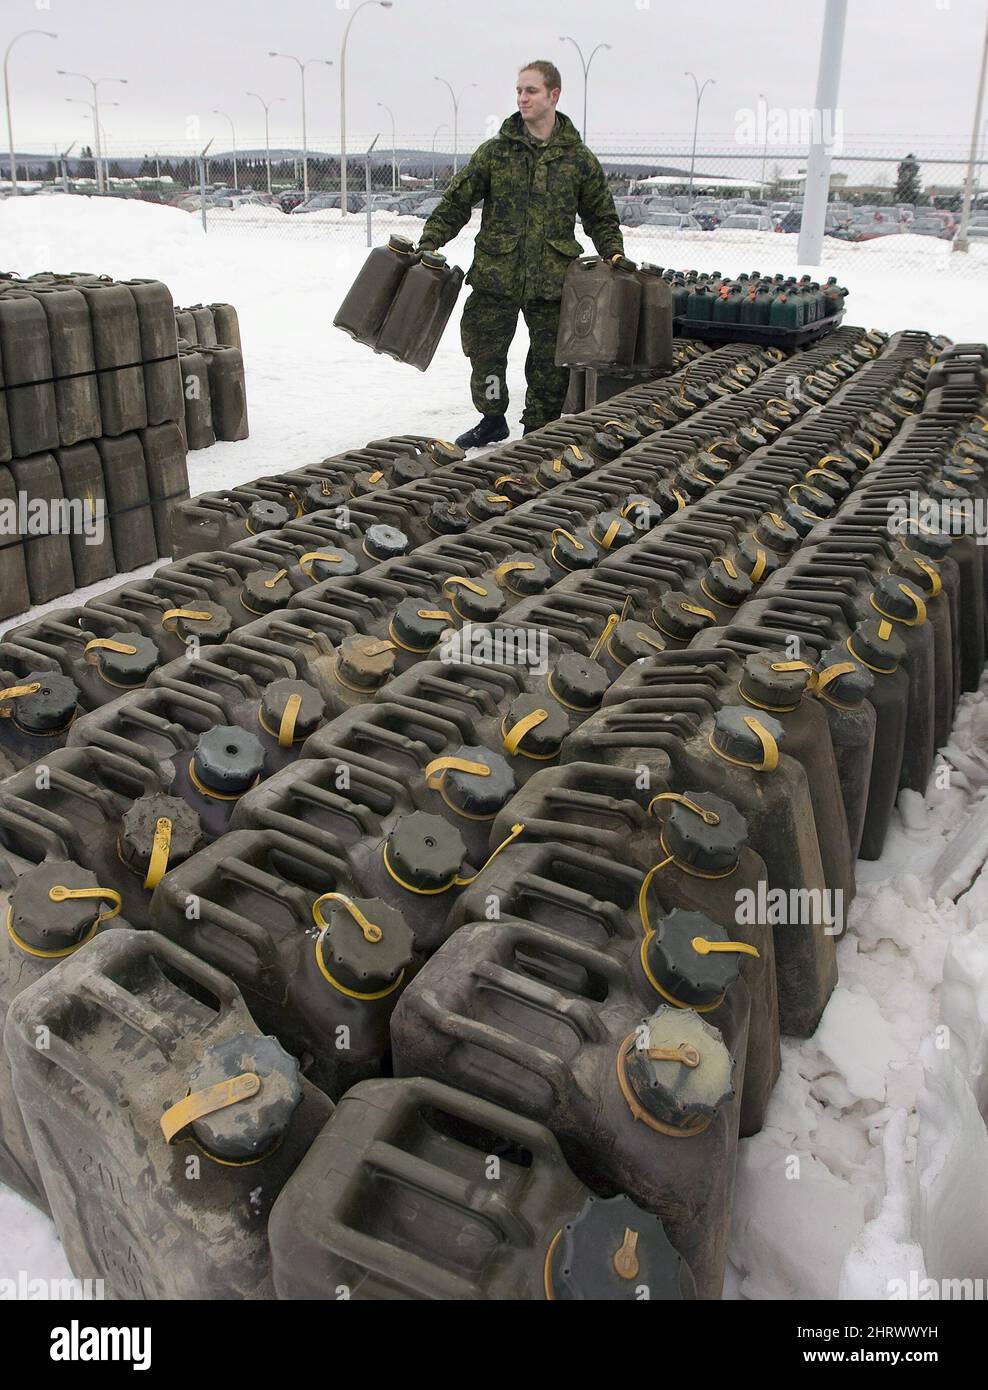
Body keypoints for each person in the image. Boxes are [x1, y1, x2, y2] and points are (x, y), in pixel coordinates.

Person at [418, 60, 625, 450]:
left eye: (530, 91)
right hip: (497, 274)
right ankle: (492, 418)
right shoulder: (496, 153)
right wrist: (431, 240)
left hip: (552, 281)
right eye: (518, 91)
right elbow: (456, 201)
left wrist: (613, 254)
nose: (522, 98)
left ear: (554, 95)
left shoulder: (578, 160)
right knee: (486, 352)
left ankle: (537, 430)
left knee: (549, 363)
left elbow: (601, 216)